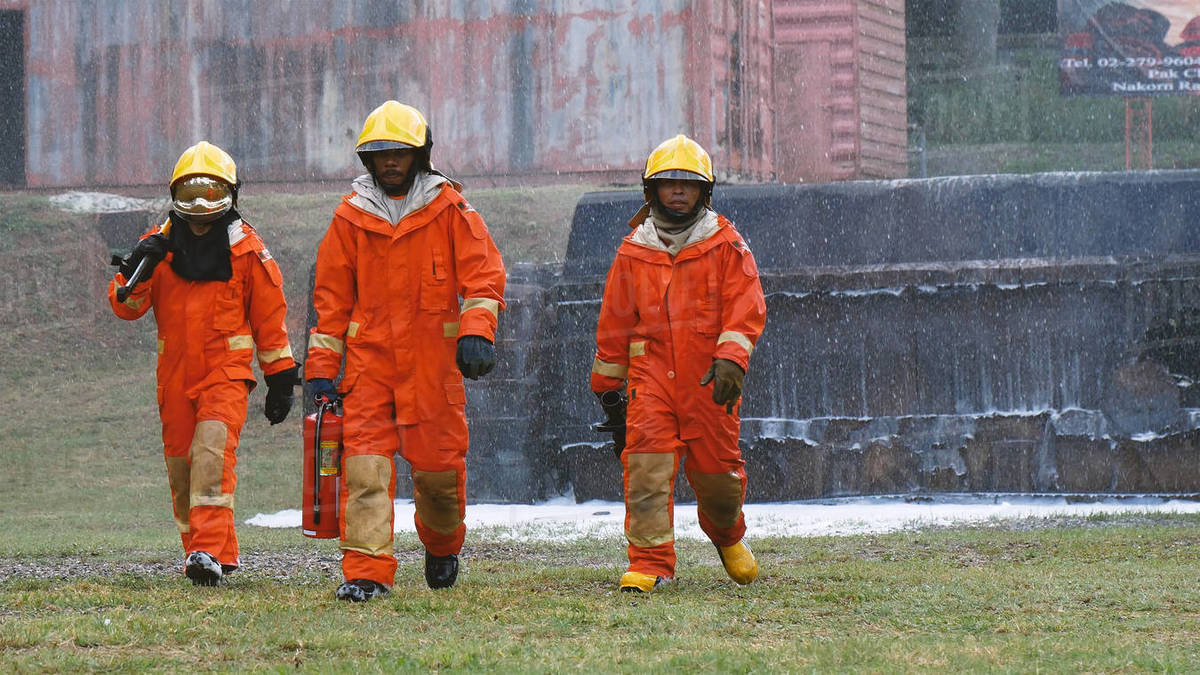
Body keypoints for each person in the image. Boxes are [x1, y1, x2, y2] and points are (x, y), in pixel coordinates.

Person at [305, 100, 506, 602]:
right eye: (380, 154)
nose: (390, 162)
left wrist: (477, 330)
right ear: (367, 161)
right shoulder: (349, 219)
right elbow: (329, 303)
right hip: (369, 371)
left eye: (399, 153)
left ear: (420, 155)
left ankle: (442, 545)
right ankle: (367, 573)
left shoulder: (451, 209)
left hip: (433, 372)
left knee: (440, 478)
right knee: (364, 472)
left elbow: (484, 276)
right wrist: (321, 369)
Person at [108, 141, 298, 586]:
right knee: (182, 468)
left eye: (210, 193)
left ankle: (206, 550)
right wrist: (137, 265)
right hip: (173, 377)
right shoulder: (157, 247)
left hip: (226, 374)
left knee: (211, 457)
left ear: (230, 194)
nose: (199, 205)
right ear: (174, 194)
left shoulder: (248, 250)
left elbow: (270, 320)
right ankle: (212, 554)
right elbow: (125, 307)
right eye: (190, 193)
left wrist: (281, 381)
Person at [590, 134, 766, 593]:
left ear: (705, 192)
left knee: (719, 477)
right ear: (651, 191)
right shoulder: (633, 251)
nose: (678, 191)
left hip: (710, 381)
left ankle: (728, 536)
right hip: (651, 379)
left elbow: (746, 306)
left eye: (688, 184)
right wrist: (608, 389)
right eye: (669, 183)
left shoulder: (727, 245)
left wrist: (732, 359)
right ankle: (650, 562)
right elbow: (614, 322)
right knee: (646, 468)